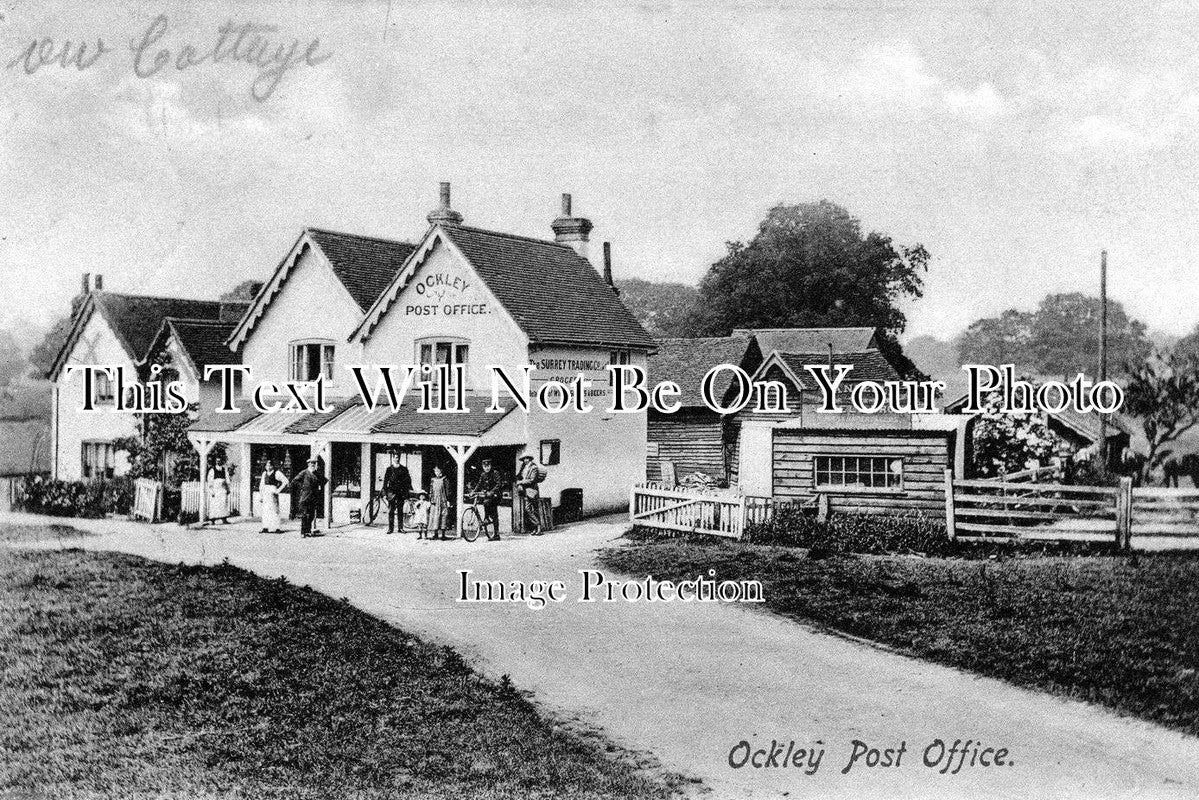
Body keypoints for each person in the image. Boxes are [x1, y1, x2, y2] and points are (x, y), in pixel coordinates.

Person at [287, 457, 327, 538]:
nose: (312, 465)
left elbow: (324, 481)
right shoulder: (304, 473)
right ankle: (303, 532)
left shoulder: (317, 473)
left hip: (314, 497)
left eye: (314, 464)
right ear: (308, 464)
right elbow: (295, 480)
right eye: (311, 463)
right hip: (305, 497)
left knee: (311, 515)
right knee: (304, 515)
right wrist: (302, 487)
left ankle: (308, 531)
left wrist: (319, 487)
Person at [468, 457, 505, 541]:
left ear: (491, 466)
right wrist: (473, 491)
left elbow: (499, 484)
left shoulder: (495, 473)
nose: (487, 468)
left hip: (496, 495)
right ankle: (486, 518)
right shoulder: (483, 474)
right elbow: (479, 484)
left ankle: (496, 533)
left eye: (488, 466)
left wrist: (491, 492)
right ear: (483, 467)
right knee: (485, 501)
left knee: (490, 506)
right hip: (487, 495)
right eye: (485, 467)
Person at [381, 451, 412, 534]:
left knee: (400, 510)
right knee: (391, 510)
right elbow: (385, 482)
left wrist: (406, 494)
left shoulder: (404, 469)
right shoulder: (389, 469)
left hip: (400, 492)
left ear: (399, 458)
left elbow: (407, 481)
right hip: (391, 492)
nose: (396, 459)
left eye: (398, 457)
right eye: (395, 457)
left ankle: (400, 528)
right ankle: (390, 528)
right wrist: (385, 493)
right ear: (392, 458)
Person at [516, 454, 544, 535]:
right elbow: (519, 476)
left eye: (527, 458)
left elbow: (532, 480)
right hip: (526, 491)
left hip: (532, 491)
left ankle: (537, 527)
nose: (525, 460)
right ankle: (535, 527)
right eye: (524, 459)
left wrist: (521, 482)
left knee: (534, 510)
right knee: (528, 509)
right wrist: (519, 482)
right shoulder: (523, 468)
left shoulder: (534, 468)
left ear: (530, 459)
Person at [259, 459, 287, 533]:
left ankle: (277, 528)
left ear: (272, 466)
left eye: (270, 465)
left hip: (273, 491)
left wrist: (278, 490)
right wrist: (261, 495)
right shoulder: (264, 474)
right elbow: (261, 485)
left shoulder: (277, 473)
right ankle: (265, 527)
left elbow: (285, 481)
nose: (268, 467)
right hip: (265, 492)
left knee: (274, 510)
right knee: (266, 510)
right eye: (267, 465)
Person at [206, 459, 232, 523]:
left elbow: (227, 480)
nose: (218, 462)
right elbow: (210, 482)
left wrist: (228, 489)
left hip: (222, 489)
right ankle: (213, 520)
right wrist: (211, 491)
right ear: (215, 462)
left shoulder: (224, 470)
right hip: (216, 490)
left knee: (223, 504)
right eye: (217, 460)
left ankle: (224, 519)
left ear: (221, 462)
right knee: (215, 504)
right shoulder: (212, 470)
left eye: (219, 461)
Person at [428, 464, 450, 540]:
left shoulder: (444, 479)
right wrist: (431, 499)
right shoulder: (433, 479)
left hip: (443, 500)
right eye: (435, 471)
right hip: (435, 500)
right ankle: (435, 534)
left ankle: (443, 534)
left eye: (438, 470)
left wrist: (448, 500)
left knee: (443, 516)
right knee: (435, 517)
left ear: (441, 471)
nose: (436, 472)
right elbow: (430, 490)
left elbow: (447, 490)